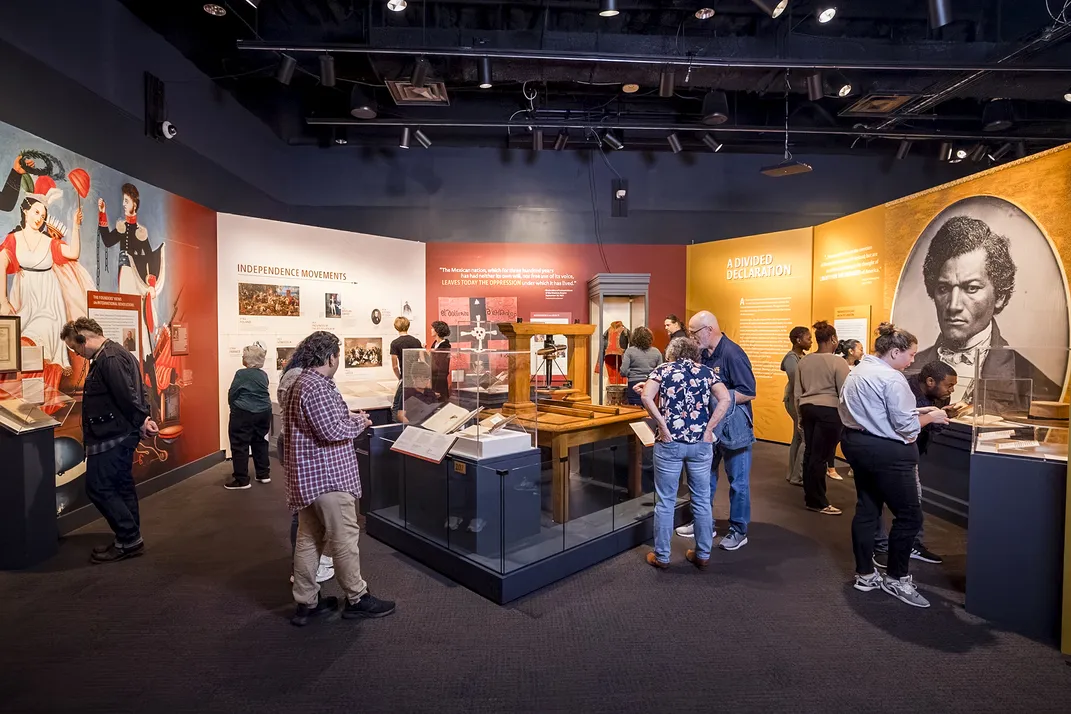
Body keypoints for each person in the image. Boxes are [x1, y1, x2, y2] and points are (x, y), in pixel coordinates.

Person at [282, 331, 395, 626]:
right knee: (344, 540)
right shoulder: (316, 387)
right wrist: (360, 421)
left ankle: (306, 602)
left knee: (308, 539)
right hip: (329, 478)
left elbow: (326, 423)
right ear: (331, 356)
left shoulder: (301, 382)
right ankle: (357, 598)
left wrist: (347, 418)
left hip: (310, 479)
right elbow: (331, 431)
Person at [840, 322, 949, 608]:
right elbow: (908, 429)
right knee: (910, 516)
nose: (913, 360)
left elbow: (875, 411)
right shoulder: (893, 379)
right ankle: (897, 579)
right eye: (911, 355)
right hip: (889, 453)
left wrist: (916, 411)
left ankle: (865, 574)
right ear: (895, 352)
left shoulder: (859, 370)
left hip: (858, 445)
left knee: (867, 508)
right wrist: (931, 417)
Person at [912, 216, 1060, 403]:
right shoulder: (909, 367)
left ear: (1000, 296)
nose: (953, 305)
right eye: (944, 289)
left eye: (971, 288)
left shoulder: (1031, 382)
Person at [61, 317, 158, 564]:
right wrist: (143, 420)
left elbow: (127, 397)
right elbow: (138, 391)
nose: (77, 354)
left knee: (98, 487)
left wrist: (142, 420)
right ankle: (130, 538)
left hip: (113, 437)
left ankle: (128, 537)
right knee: (121, 485)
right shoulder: (116, 353)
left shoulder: (110, 359)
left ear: (84, 339)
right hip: (117, 435)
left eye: (75, 347)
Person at [642, 337, 731, 569]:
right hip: (701, 443)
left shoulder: (662, 369)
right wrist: (709, 428)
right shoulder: (705, 372)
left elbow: (646, 396)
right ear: (695, 353)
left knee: (665, 501)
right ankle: (702, 554)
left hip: (669, 442)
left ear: (671, 352)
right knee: (702, 500)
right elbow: (726, 398)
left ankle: (662, 557)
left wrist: (661, 425)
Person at [1, 175, 95, 392]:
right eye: (36, 212)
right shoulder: (14, 239)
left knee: (37, 337)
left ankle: (36, 396)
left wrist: (75, 225)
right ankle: (16, 398)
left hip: (49, 305)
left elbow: (73, 253)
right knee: (14, 340)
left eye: (43, 215)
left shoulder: (50, 243)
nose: (39, 218)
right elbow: (1, 262)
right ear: (25, 210)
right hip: (23, 300)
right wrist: (3, 300)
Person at [673, 311, 757, 551]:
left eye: (693, 332)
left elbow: (749, 391)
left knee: (738, 483)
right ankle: (702, 523)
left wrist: (720, 398)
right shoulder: (702, 354)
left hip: (734, 430)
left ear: (709, 329)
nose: (691, 337)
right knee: (703, 479)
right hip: (709, 429)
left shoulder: (733, 353)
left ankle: (739, 530)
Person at [873, 360, 958, 567]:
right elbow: (903, 426)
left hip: (907, 455)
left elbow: (929, 428)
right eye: (949, 385)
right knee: (883, 501)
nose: (951, 390)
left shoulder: (933, 395)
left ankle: (907, 545)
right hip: (890, 454)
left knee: (909, 502)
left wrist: (941, 417)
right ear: (930, 381)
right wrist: (932, 418)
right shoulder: (903, 392)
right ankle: (884, 548)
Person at [795, 321, 850, 515]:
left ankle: (812, 498)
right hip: (829, 411)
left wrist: (800, 415)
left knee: (811, 453)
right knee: (821, 457)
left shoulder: (804, 361)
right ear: (833, 339)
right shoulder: (838, 362)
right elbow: (844, 392)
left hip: (808, 408)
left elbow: (797, 392)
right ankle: (819, 502)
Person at [225, 344, 273, 490]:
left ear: (247, 359)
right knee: (260, 441)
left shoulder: (242, 374)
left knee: (240, 444)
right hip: (264, 411)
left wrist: (233, 407)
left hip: (244, 412)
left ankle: (241, 480)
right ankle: (263, 474)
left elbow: (233, 392)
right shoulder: (263, 374)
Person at [780, 326, 812, 486]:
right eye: (808, 338)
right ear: (798, 340)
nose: (811, 341)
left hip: (799, 399)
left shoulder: (801, 357)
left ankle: (792, 473)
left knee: (797, 437)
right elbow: (796, 381)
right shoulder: (791, 358)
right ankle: (796, 476)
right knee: (802, 436)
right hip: (794, 400)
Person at [389, 316, 423, 421]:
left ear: (396, 327)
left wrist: (400, 377)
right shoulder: (416, 341)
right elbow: (422, 360)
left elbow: (395, 366)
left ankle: (396, 429)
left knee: (397, 407)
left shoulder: (395, 343)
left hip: (405, 378)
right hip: (416, 378)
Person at [621, 326, 663, 407]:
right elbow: (660, 372)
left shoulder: (630, 351)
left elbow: (623, 371)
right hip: (650, 384)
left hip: (634, 384)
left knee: (634, 411)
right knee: (650, 409)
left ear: (635, 338)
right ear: (650, 338)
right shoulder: (656, 352)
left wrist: (632, 373)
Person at [429, 320, 452, 399]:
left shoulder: (445, 346)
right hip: (433, 379)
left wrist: (438, 389)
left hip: (439, 382)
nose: (431, 330)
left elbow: (443, 368)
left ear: (437, 331)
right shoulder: (435, 344)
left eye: (433, 328)